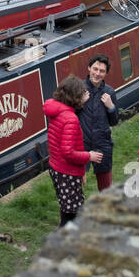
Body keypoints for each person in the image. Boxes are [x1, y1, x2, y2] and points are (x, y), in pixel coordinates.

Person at [44, 76, 104, 227]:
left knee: (67, 209)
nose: (86, 94)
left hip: (57, 168)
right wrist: (89, 156)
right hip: (66, 172)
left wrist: (81, 171)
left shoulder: (57, 111)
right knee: (72, 214)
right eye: (82, 92)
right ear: (75, 96)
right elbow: (68, 152)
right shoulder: (70, 118)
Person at [80, 55, 119, 192]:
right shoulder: (78, 89)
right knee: (75, 188)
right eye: (95, 69)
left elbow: (114, 121)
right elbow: (67, 116)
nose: (97, 73)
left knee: (105, 188)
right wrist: (80, 103)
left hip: (103, 145)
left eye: (101, 71)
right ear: (89, 68)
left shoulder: (109, 92)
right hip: (81, 145)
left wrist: (111, 107)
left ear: (106, 73)